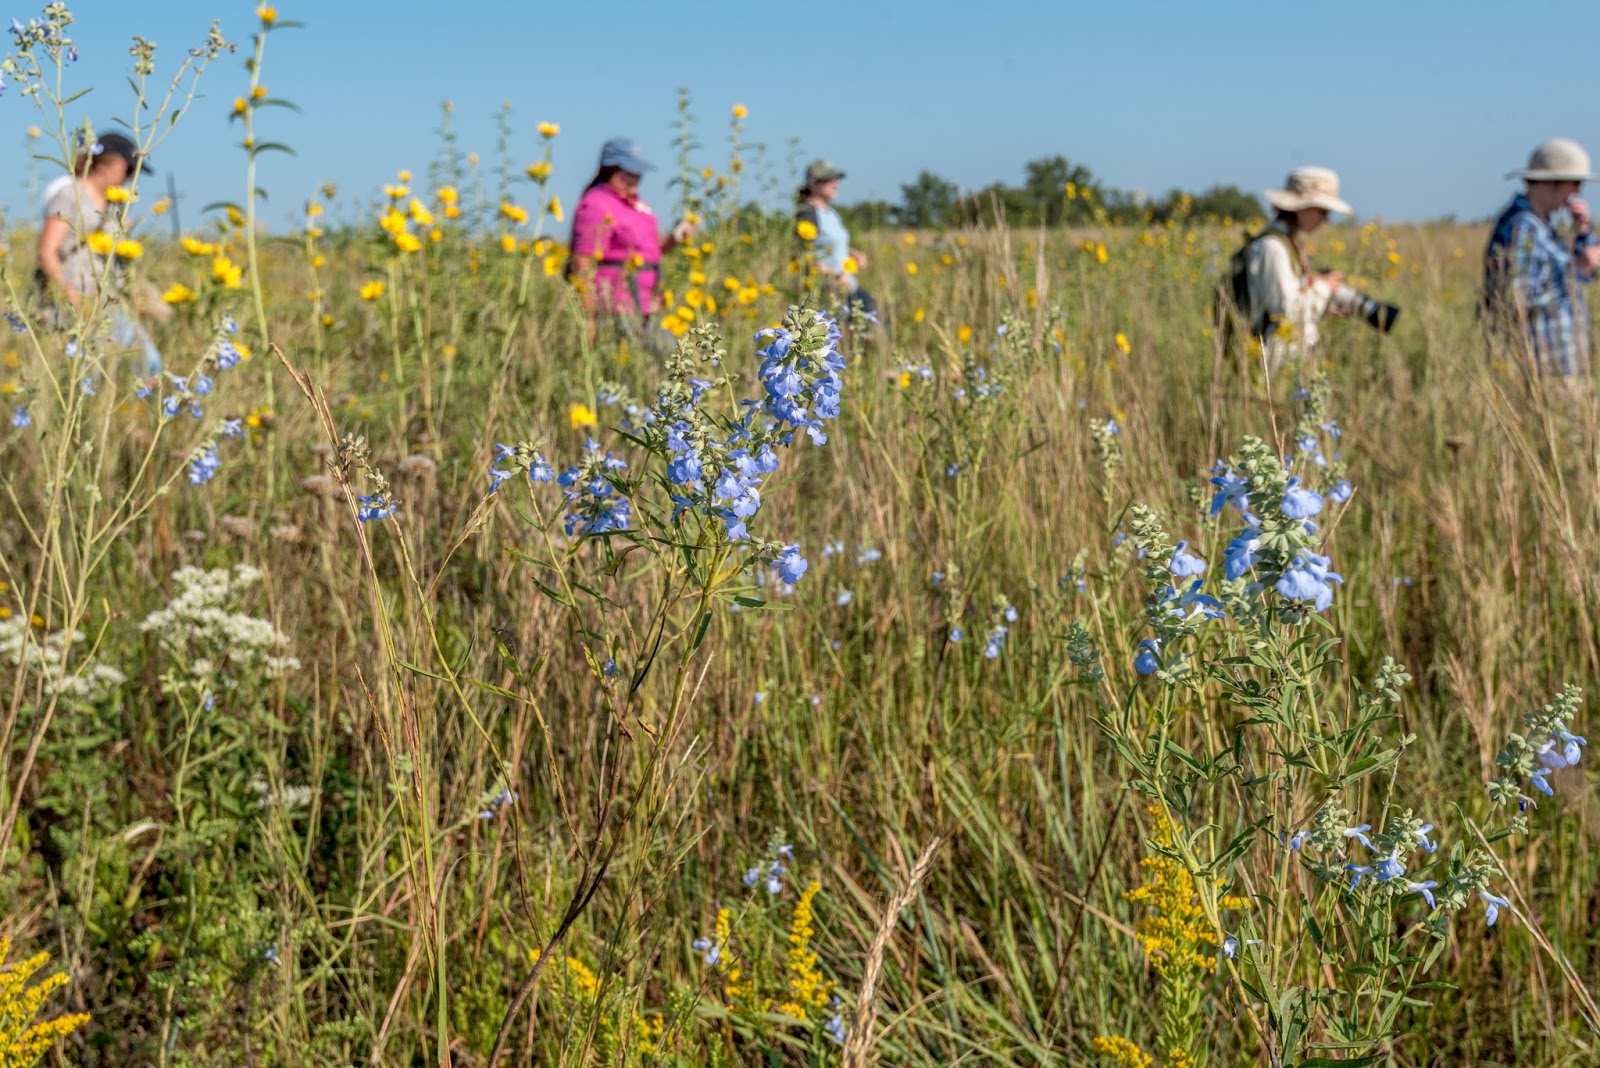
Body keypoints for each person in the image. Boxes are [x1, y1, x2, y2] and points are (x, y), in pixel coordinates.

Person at [36, 130, 161, 371]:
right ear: (111, 165)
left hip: (107, 302)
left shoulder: (115, 202)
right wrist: (73, 299)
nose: (130, 178)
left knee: (149, 365)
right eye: (129, 170)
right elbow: (47, 253)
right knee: (88, 373)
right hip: (75, 301)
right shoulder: (71, 194)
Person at [1483, 138, 1600, 377]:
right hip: (1543, 368)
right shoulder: (1524, 227)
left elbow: (1588, 268)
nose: (1578, 191)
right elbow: (1518, 298)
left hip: (1559, 364)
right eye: (1575, 182)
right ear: (1552, 183)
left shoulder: (1543, 225)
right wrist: (1577, 269)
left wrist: (1583, 230)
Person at [1225, 166, 1366, 364]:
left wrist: (1324, 308)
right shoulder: (1272, 248)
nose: (1326, 219)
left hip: (1286, 360)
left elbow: (1287, 302)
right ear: (1301, 207)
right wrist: (1325, 287)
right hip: (1273, 365)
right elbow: (1286, 312)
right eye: (1323, 211)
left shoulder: (1288, 244)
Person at [568, 137, 692, 350]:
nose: (637, 178)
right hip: (616, 309)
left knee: (662, 365)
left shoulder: (637, 204)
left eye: (637, 173)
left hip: (647, 306)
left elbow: (648, 252)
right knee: (665, 357)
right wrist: (589, 319)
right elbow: (582, 262)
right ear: (611, 170)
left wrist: (674, 239)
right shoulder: (596, 204)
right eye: (630, 173)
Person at [795, 160, 875, 321]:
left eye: (835, 179)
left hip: (848, 287)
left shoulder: (830, 212)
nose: (835, 183)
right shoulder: (807, 214)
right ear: (813, 184)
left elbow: (830, 244)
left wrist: (853, 253)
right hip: (830, 291)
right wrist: (835, 277)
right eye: (828, 179)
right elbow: (802, 257)